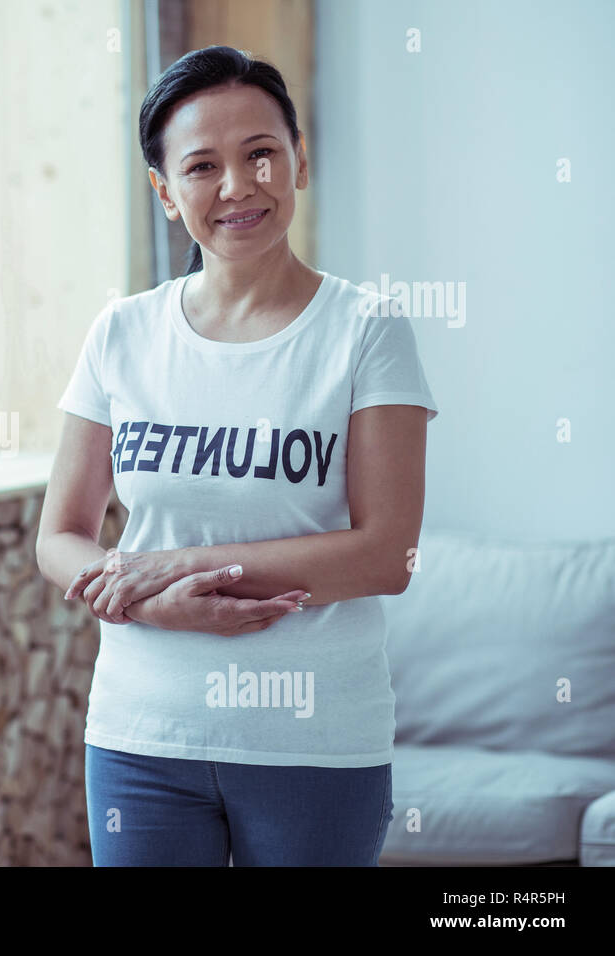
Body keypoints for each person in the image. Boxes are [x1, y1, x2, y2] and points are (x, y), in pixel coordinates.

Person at [34, 45, 438, 866]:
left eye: (261, 153)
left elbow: (387, 554)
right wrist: (153, 602)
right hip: (142, 735)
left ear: (299, 160)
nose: (238, 186)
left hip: (314, 741)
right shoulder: (122, 333)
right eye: (202, 166)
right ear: (165, 192)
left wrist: (175, 567)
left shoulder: (369, 330)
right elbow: (60, 536)